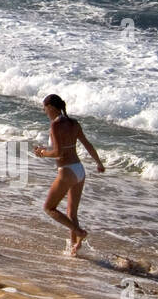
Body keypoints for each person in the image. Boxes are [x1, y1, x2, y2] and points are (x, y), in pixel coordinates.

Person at [32, 93, 104, 254]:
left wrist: (42, 152)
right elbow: (88, 145)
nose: (44, 112)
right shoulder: (74, 123)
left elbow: (58, 153)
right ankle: (74, 248)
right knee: (71, 213)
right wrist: (99, 163)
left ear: (50, 107)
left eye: (45, 108)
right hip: (79, 169)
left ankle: (79, 233)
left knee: (49, 208)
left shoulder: (55, 125)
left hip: (67, 171)